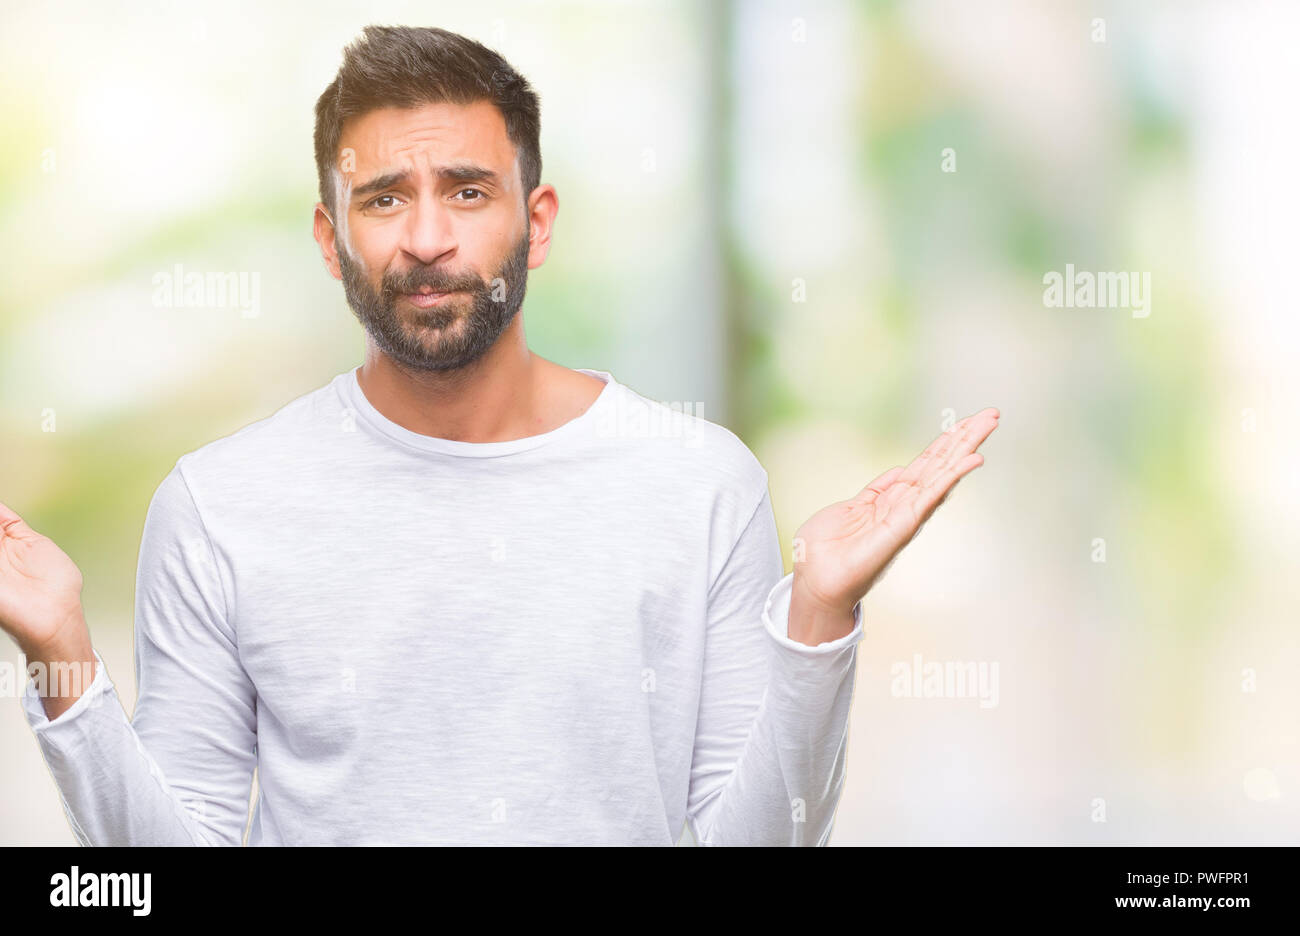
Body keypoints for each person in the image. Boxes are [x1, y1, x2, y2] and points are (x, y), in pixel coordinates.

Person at [0, 25, 998, 846]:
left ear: (538, 220)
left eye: (467, 191)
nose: (427, 239)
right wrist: (61, 656)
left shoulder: (697, 483)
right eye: (383, 198)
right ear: (329, 238)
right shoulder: (218, 506)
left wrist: (819, 615)